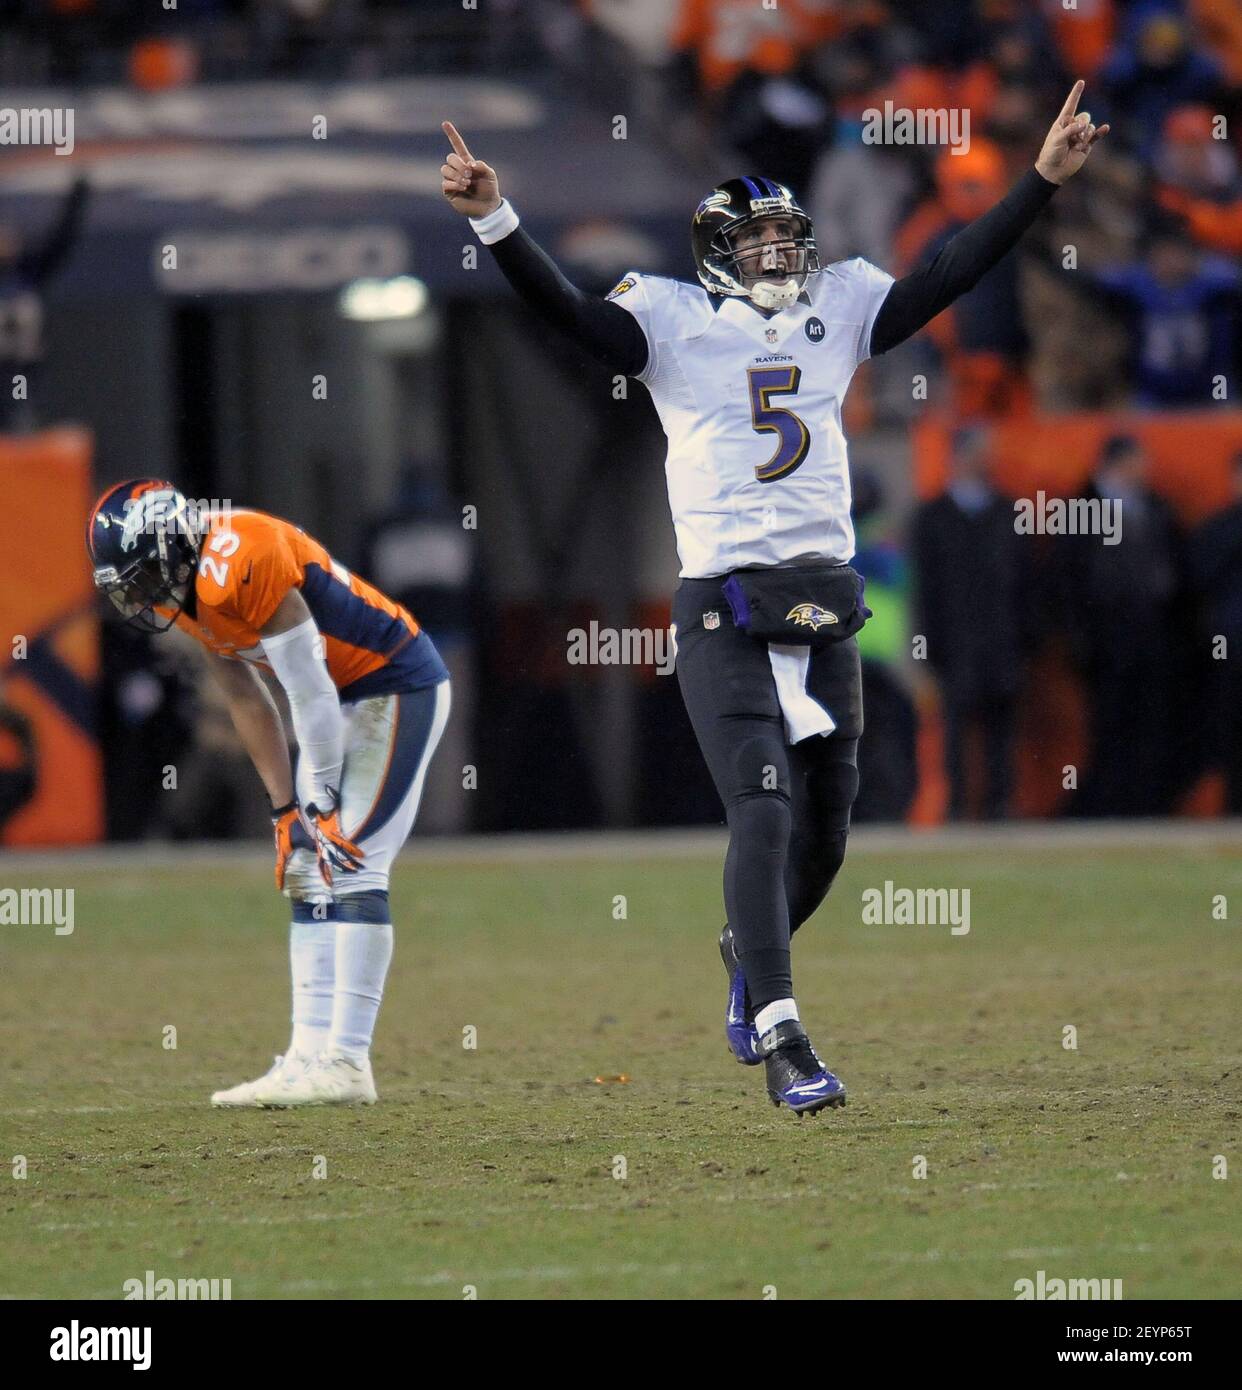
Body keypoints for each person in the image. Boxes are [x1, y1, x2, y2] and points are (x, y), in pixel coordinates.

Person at [439, 83, 1107, 1115]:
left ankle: (749, 952)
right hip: (721, 602)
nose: (780, 256)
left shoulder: (835, 306)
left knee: (829, 835)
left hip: (823, 597)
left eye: (788, 239)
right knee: (761, 809)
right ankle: (788, 1034)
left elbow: (947, 270)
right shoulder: (667, 318)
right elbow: (568, 315)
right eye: (758, 242)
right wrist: (495, 217)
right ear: (716, 250)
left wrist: (1040, 184)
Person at [86, 481, 450, 1107]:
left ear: (174, 545)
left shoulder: (241, 560)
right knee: (306, 866)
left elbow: (309, 690)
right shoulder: (193, 591)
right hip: (335, 706)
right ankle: (308, 1055)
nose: (143, 596)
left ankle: (347, 1061)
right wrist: (287, 812)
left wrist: (326, 801)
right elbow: (248, 700)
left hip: (392, 684)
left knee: (353, 862)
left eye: (146, 576)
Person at [912, 427, 1028, 820]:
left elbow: (1028, 584)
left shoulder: (1009, 513)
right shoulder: (932, 518)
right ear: (958, 457)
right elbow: (924, 590)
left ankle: (1000, 806)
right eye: (979, 451)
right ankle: (958, 807)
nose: (986, 460)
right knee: (955, 733)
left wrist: (1027, 639)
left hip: (1002, 639)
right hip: (955, 642)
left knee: (1002, 733)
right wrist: (927, 646)